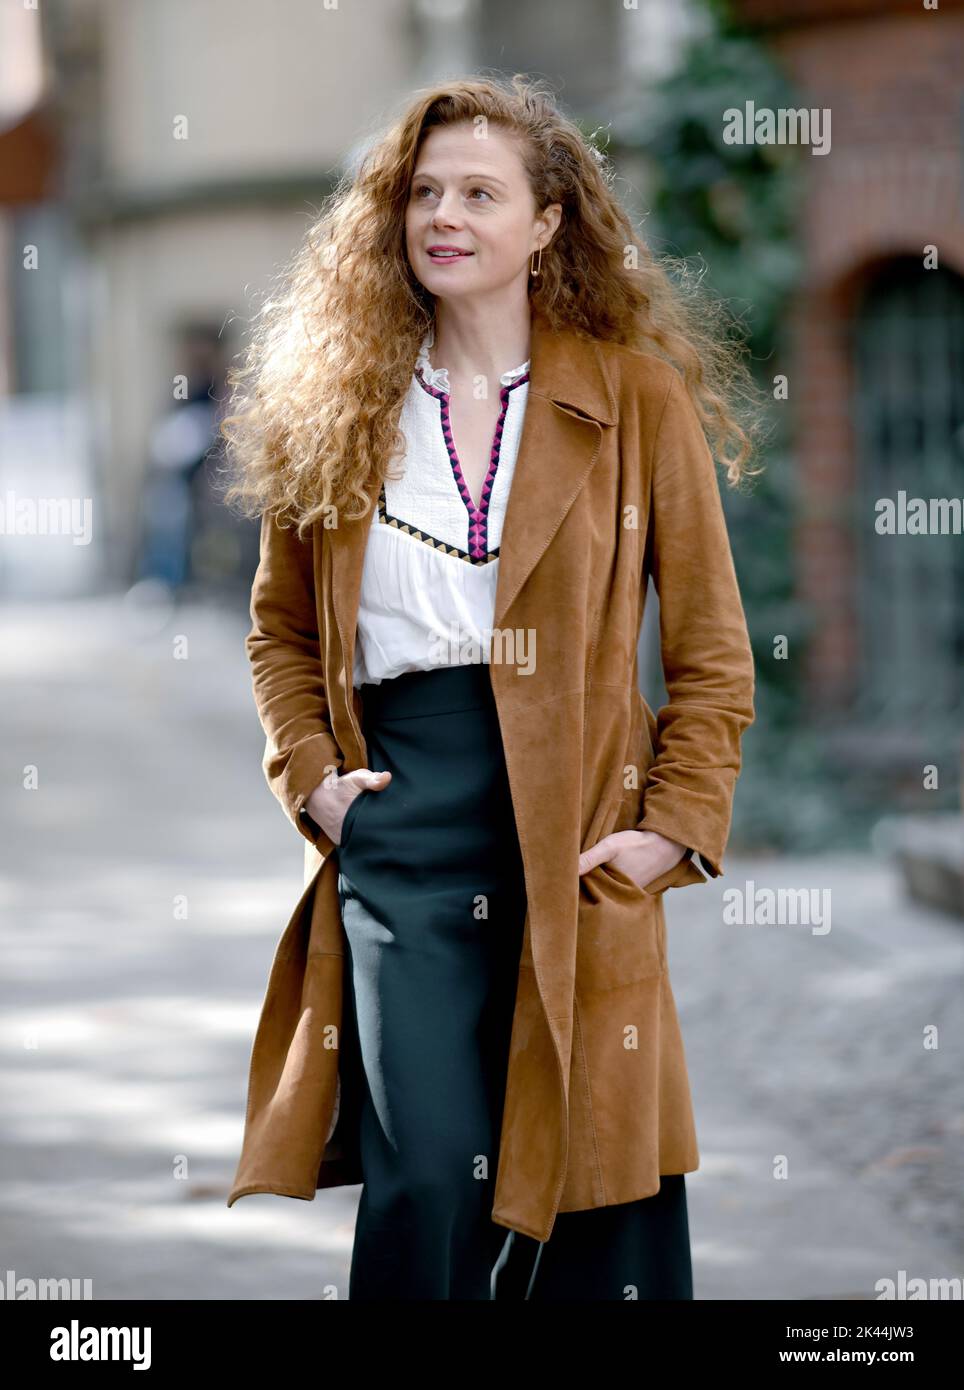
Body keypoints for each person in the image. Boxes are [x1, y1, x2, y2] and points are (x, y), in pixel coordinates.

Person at [220, 73, 760, 1301]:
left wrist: (667, 829)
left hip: (577, 824)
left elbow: (715, 650)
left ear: (549, 223)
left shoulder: (634, 399)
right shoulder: (336, 405)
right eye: (421, 192)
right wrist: (317, 787)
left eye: (479, 191)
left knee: (594, 1170)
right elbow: (281, 636)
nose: (442, 215)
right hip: (403, 813)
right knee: (431, 1181)